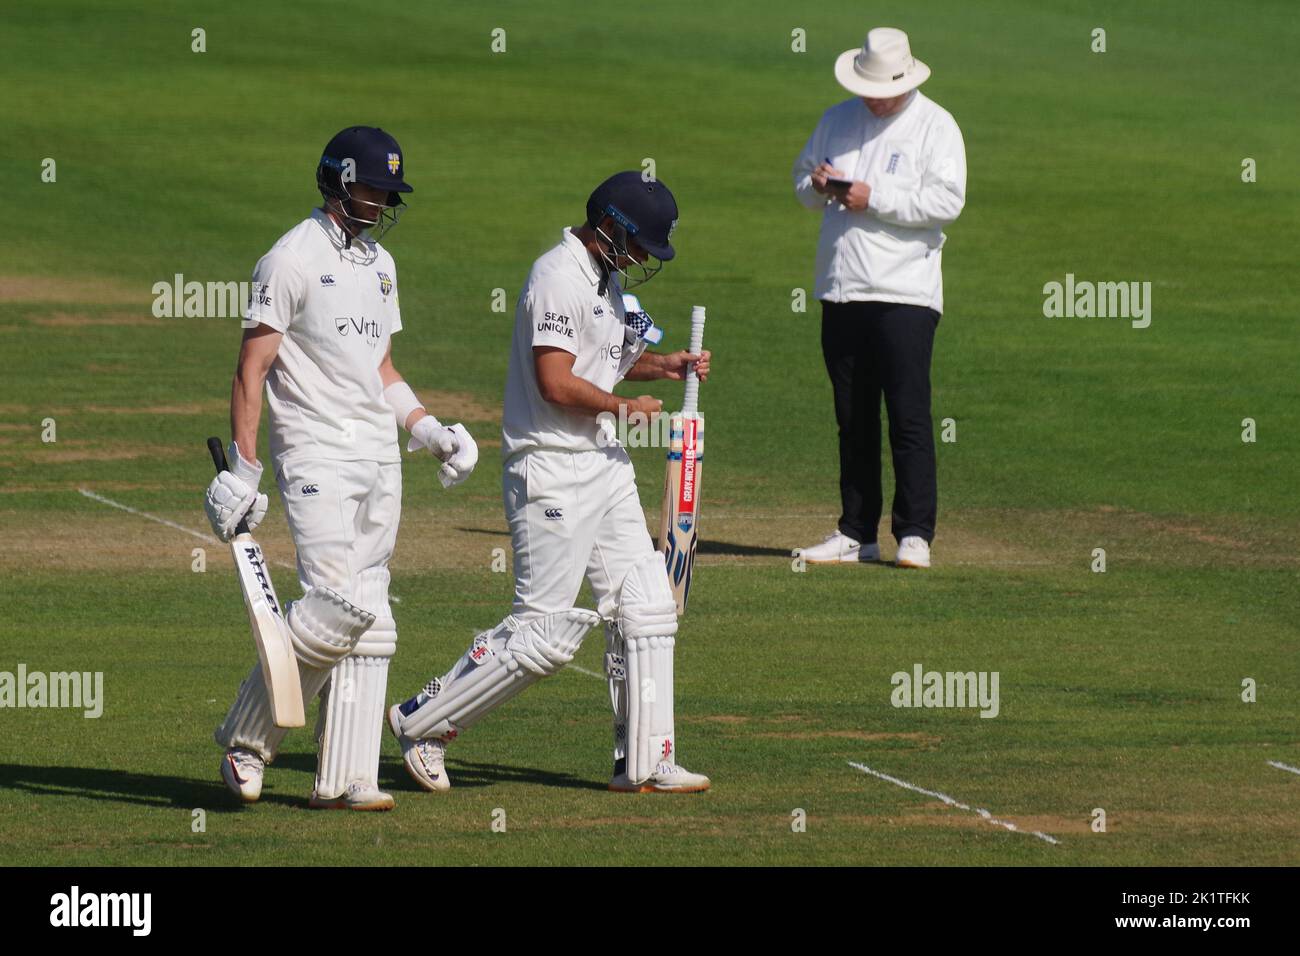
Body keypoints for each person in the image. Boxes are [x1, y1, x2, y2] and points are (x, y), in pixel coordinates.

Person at [388, 171, 712, 793]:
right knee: (544, 636)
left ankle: (646, 760)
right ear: (611, 227)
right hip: (550, 470)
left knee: (646, 609)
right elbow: (555, 382)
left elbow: (606, 354)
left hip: (603, 466)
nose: (644, 257)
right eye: (640, 243)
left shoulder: (605, 280)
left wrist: (663, 366)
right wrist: (623, 409)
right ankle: (422, 721)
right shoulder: (556, 277)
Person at [203, 126, 478, 810]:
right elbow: (252, 367)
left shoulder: (378, 264)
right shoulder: (289, 259)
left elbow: (379, 368)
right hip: (316, 452)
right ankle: (246, 741)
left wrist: (429, 430)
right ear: (337, 180)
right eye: (372, 189)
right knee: (336, 606)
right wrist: (243, 469)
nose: (382, 202)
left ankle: (347, 776)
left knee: (372, 616)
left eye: (389, 193)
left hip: (379, 458)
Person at [792, 27, 966, 569]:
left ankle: (914, 534)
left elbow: (947, 201)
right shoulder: (837, 118)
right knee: (853, 416)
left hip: (905, 292)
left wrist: (876, 198)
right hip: (841, 288)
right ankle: (856, 532)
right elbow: (800, 183)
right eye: (865, 87)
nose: (872, 98)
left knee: (909, 415)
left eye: (881, 88)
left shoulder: (936, 125)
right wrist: (819, 186)